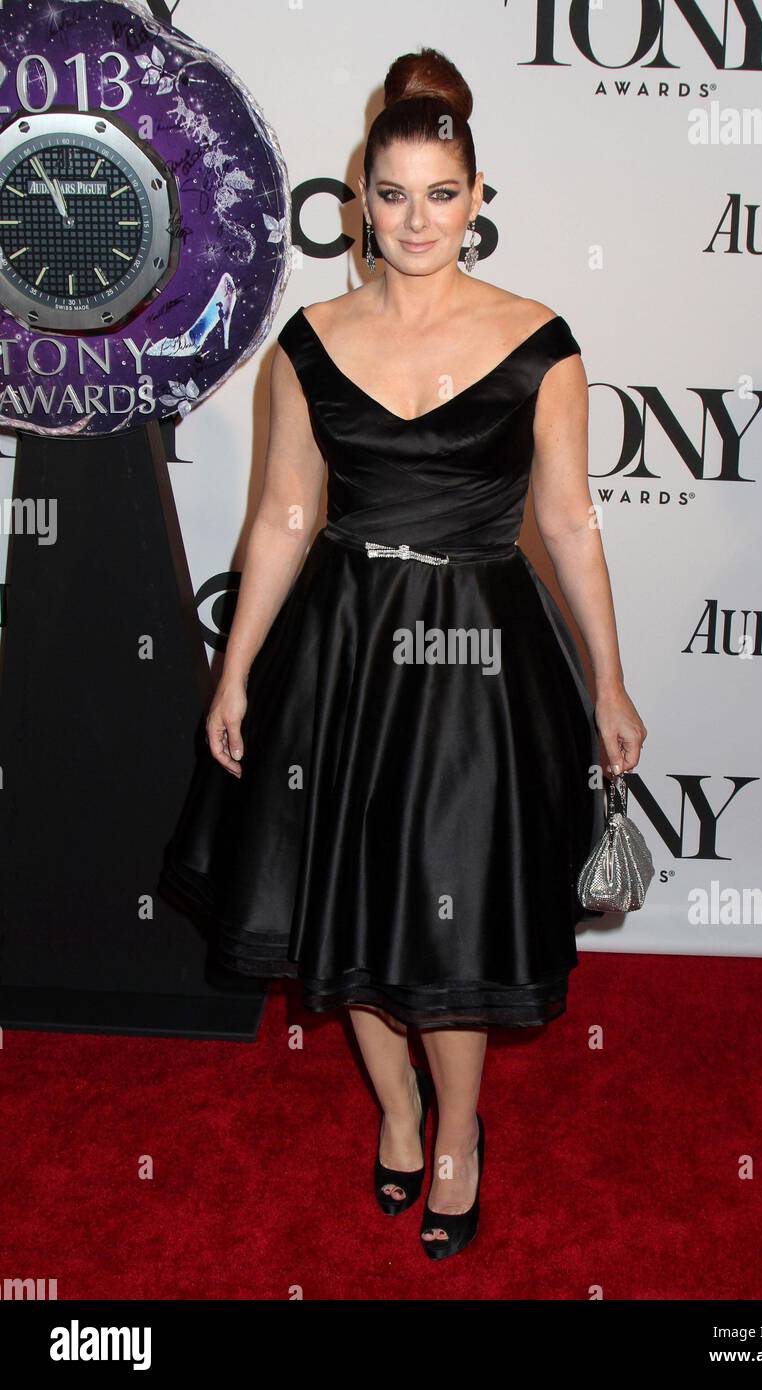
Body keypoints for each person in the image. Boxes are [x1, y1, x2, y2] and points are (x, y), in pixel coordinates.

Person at [160, 45, 646, 1261]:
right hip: (340, 660)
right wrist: (235, 669)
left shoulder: (542, 342)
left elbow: (570, 522)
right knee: (351, 912)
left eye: (441, 195)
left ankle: (459, 1136)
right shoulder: (309, 344)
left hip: (480, 667)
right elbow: (281, 517)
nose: (415, 219)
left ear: (477, 201)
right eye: (391, 194)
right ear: (357, 200)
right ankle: (394, 1110)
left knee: (453, 929)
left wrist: (612, 677)